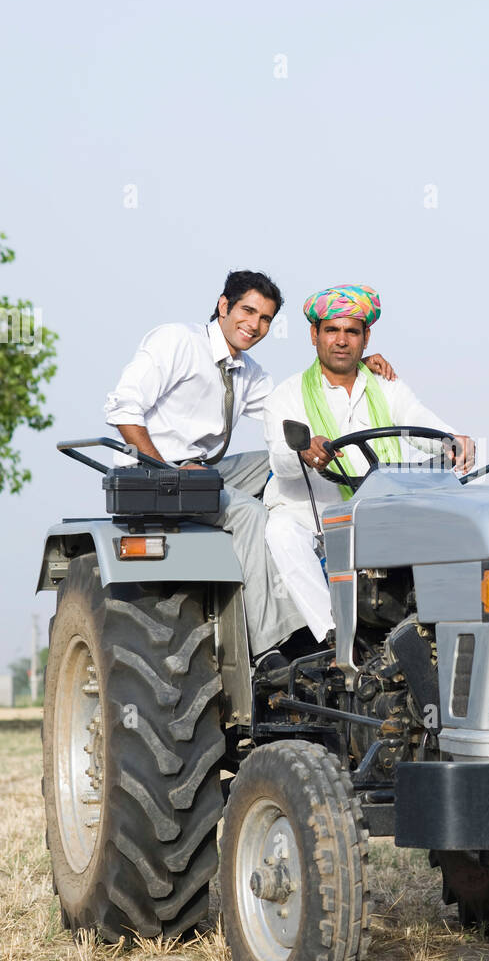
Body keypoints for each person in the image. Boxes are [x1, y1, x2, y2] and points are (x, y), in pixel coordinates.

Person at [103, 270, 394, 680]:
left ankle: (327, 565)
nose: (254, 325)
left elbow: (292, 413)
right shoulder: (176, 341)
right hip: (154, 475)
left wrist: (351, 364)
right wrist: (165, 472)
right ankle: (274, 643)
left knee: (289, 458)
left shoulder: (250, 372)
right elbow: (122, 409)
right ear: (224, 306)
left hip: (204, 471)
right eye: (247, 311)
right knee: (251, 515)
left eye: (265, 319)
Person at [262, 283, 474, 641]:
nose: (341, 340)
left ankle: (443, 630)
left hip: (377, 510)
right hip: (314, 517)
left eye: (351, 332)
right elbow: (280, 459)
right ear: (314, 335)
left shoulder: (386, 386)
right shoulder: (286, 395)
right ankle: (334, 634)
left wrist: (454, 440)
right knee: (279, 531)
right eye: (332, 330)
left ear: (366, 337)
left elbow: (420, 422)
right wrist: (304, 452)